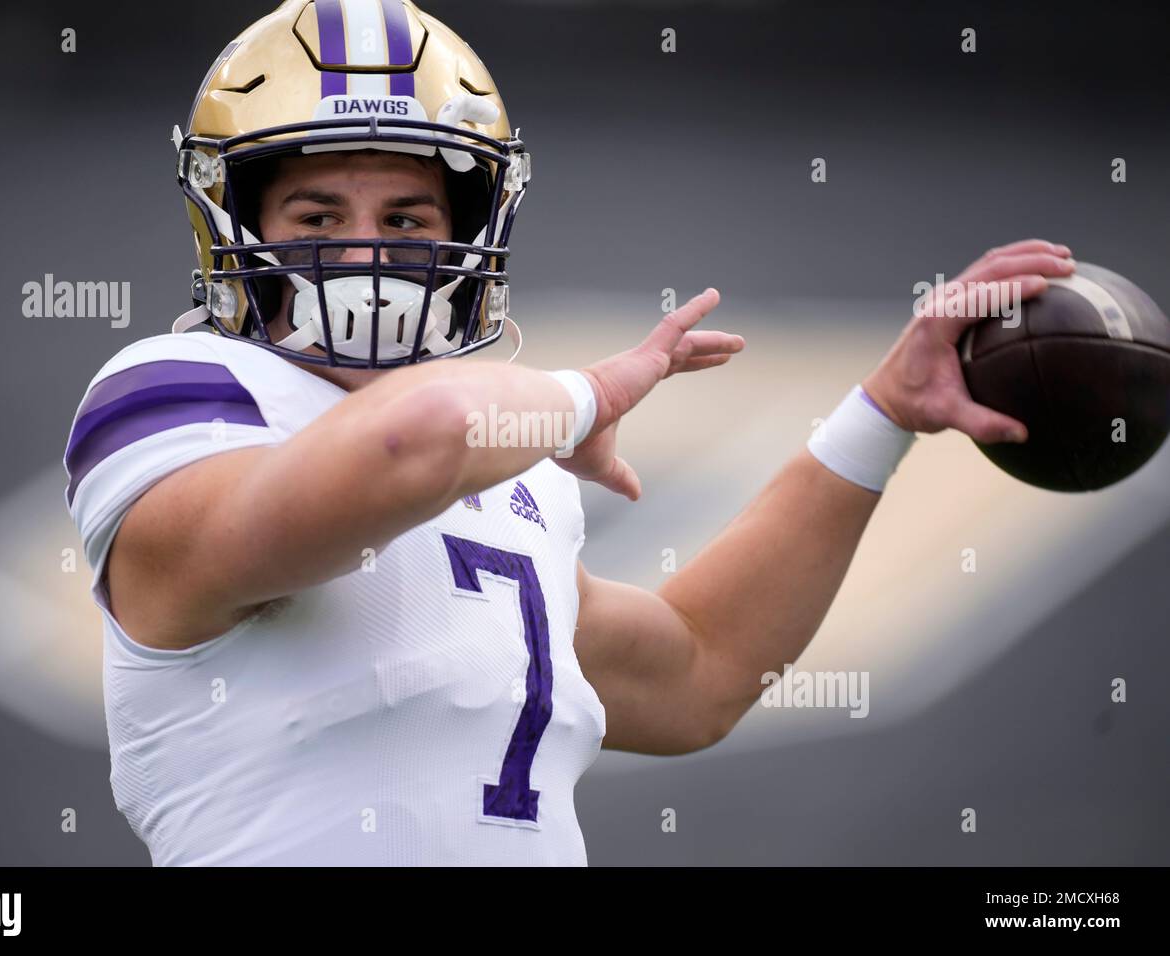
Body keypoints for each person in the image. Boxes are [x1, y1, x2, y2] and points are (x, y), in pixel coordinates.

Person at [63, 0, 1075, 865]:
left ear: (472, 233)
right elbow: (410, 441)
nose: (366, 250)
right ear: (233, 224)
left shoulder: (513, 465)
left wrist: (880, 414)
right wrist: (586, 395)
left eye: (409, 219)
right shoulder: (185, 393)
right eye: (317, 217)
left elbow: (699, 670)